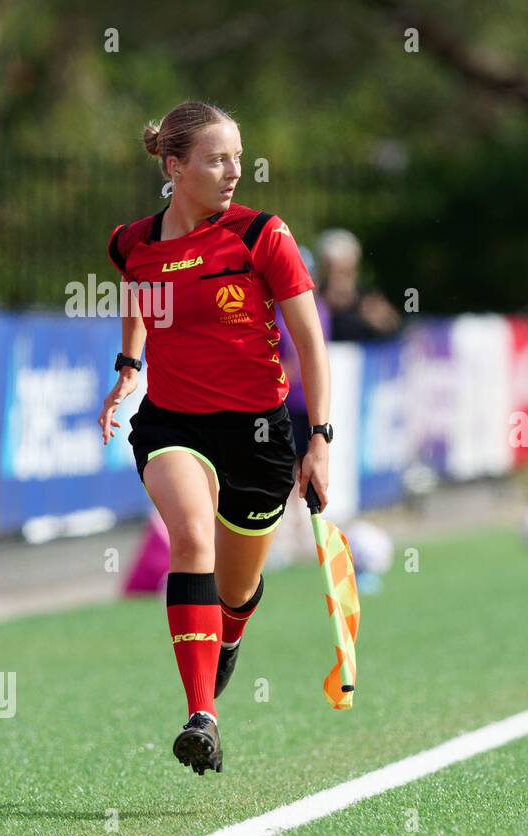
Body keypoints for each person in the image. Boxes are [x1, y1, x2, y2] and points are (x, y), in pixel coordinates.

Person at [97, 101, 334, 776]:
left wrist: (317, 441)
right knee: (191, 539)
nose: (234, 171)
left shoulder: (263, 236)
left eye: (237, 157)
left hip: (258, 436)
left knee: (234, 593)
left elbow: (311, 344)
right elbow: (141, 292)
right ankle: (203, 714)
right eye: (216, 160)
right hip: (172, 424)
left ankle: (228, 635)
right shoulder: (131, 242)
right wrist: (129, 368)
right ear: (175, 168)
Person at [277, 229, 401, 456]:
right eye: (334, 268)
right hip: (307, 396)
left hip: (350, 390)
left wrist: (375, 315)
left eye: (346, 269)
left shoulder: (366, 297)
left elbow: (393, 327)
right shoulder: (315, 300)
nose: (341, 276)